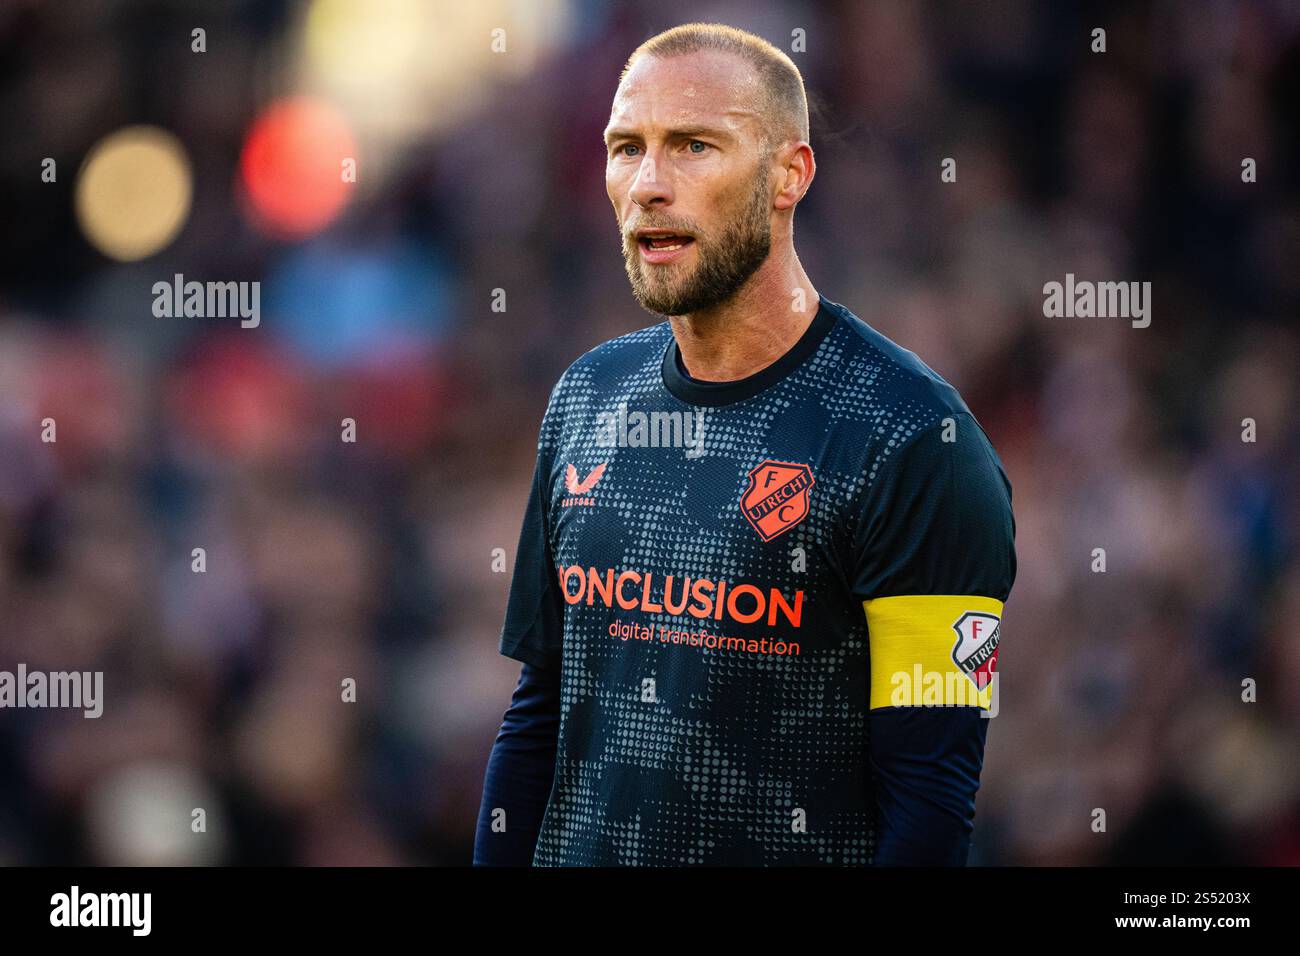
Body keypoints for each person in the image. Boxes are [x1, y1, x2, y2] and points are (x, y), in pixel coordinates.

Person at [474, 22, 1016, 866]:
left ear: (788, 175)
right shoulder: (586, 398)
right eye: (627, 148)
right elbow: (540, 710)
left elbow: (931, 805)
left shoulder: (914, 441)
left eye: (694, 146)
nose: (649, 184)